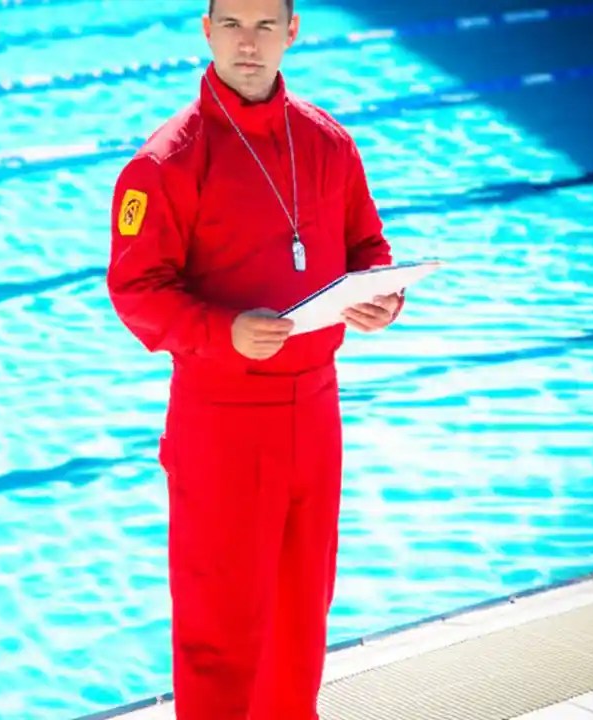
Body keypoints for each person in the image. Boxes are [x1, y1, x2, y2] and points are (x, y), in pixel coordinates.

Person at [105, 0, 405, 718]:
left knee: (301, 620)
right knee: (221, 629)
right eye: (232, 24)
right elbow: (135, 291)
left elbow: (369, 249)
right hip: (223, 422)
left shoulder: (328, 142)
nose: (249, 42)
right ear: (206, 31)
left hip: (316, 412)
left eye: (265, 24)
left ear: (292, 32)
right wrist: (222, 332)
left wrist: (384, 301)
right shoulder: (167, 162)